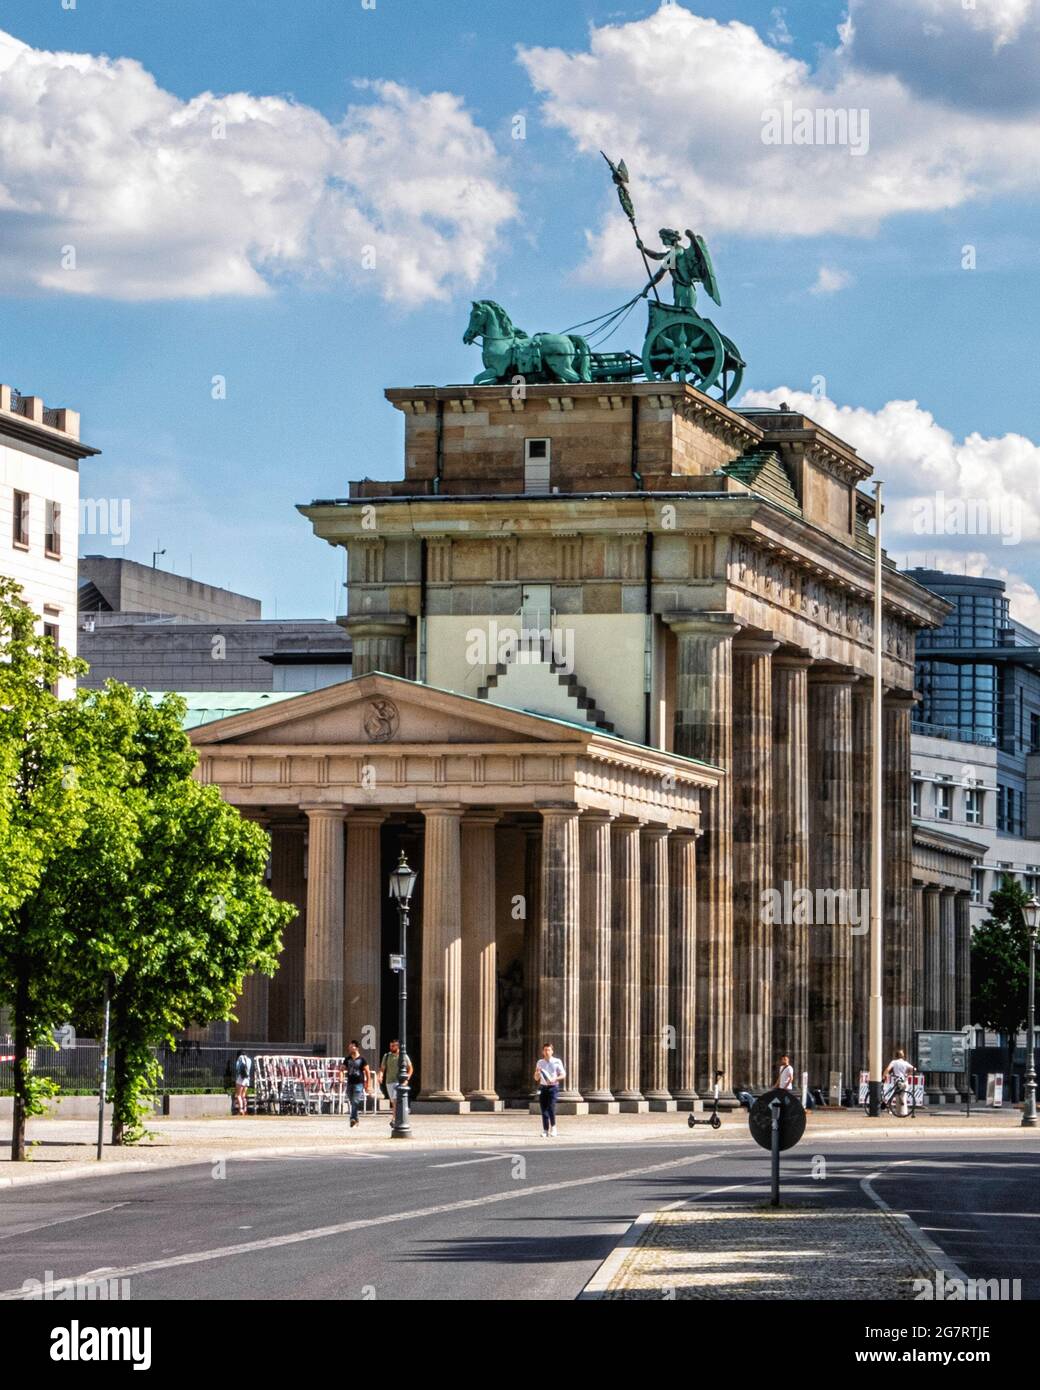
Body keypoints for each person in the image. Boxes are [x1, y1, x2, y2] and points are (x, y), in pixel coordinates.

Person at [377, 1039, 413, 1127]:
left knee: (395, 1099)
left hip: (399, 1081)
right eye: (390, 1046)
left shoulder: (403, 1056)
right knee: (393, 1101)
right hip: (389, 1081)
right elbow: (382, 1069)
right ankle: (400, 1114)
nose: (391, 1047)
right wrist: (380, 1076)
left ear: (398, 1046)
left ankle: (394, 1118)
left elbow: (410, 1068)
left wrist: (407, 1078)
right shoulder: (387, 1056)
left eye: (393, 1046)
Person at [534, 1043, 565, 1138]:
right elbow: (536, 1078)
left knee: (551, 1108)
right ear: (542, 1051)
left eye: (548, 1050)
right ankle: (545, 1130)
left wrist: (555, 1079)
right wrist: (537, 1073)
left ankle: (554, 1128)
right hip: (543, 1087)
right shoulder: (540, 1062)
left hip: (553, 1087)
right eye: (545, 1050)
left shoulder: (557, 1061)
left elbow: (563, 1074)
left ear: (552, 1051)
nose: (547, 1052)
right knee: (543, 1109)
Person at [344, 1040, 370, 1128]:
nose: (350, 1048)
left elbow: (367, 1072)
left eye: (352, 1047)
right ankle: (356, 1118)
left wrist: (368, 1084)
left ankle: (352, 1119)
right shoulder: (347, 1059)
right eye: (349, 1047)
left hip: (359, 1083)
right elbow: (341, 1068)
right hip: (350, 1083)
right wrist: (340, 1076)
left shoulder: (362, 1059)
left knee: (355, 1101)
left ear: (357, 1048)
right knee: (352, 1101)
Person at [884, 1049, 913, 1116]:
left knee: (897, 1096)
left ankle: (898, 1112)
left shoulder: (894, 1062)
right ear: (903, 1056)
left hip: (897, 1080)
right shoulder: (905, 1063)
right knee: (903, 1096)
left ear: (896, 1056)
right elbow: (914, 1069)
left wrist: (884, 1076)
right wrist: (908, 1074)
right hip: (904, 1081)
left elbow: (888, 1069)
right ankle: (903, 1112)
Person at [233, 1051, 252, 1116]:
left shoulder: (240, 1058)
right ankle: (245, 1109)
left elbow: (237, 1068)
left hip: (241, 1078)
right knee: (243, 1095)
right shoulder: (249, 1060)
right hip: (247, 1079)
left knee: (238, 1095)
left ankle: (240, 1109)